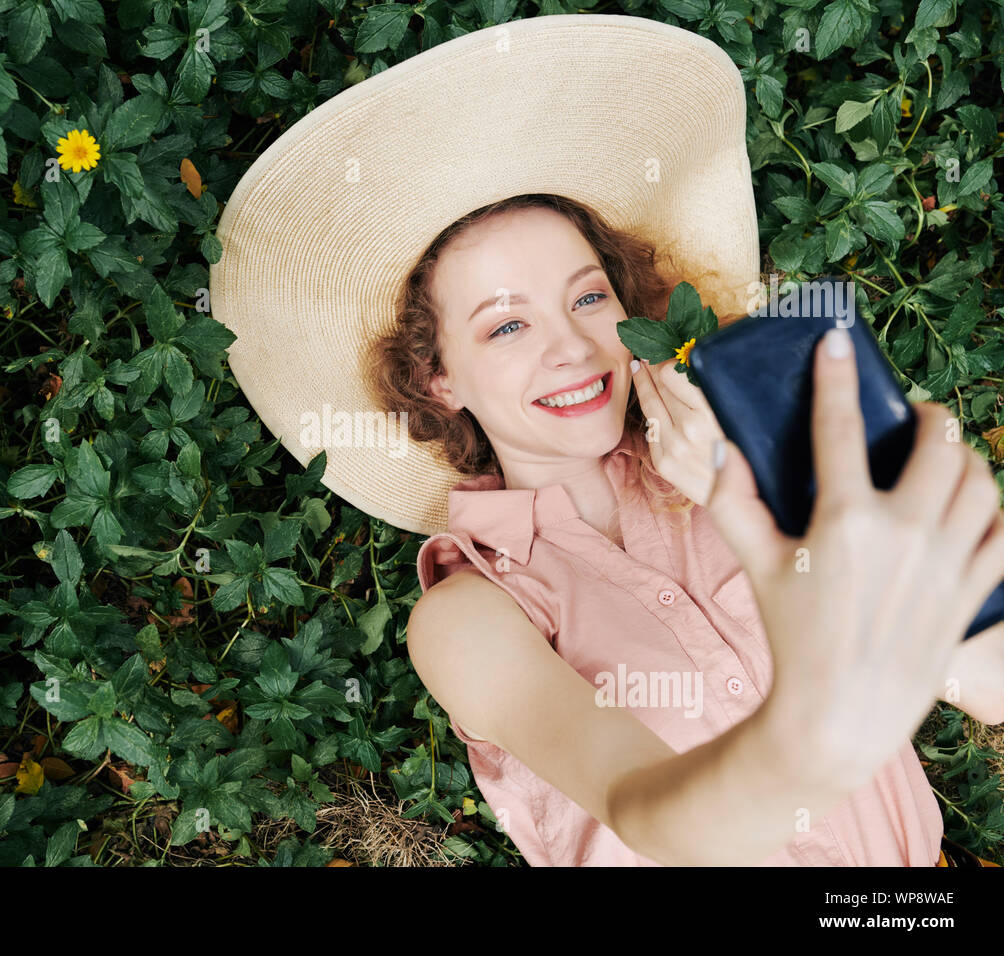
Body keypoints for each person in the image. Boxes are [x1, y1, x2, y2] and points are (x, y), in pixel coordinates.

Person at [207, 14, 1004, 865]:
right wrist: (820, 710)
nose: (572, 348)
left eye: (588, 299)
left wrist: (774, 496)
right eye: (506, 327)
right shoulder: (471, 613)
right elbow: (650, 813)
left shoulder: (746, 466)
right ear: (439, 377)